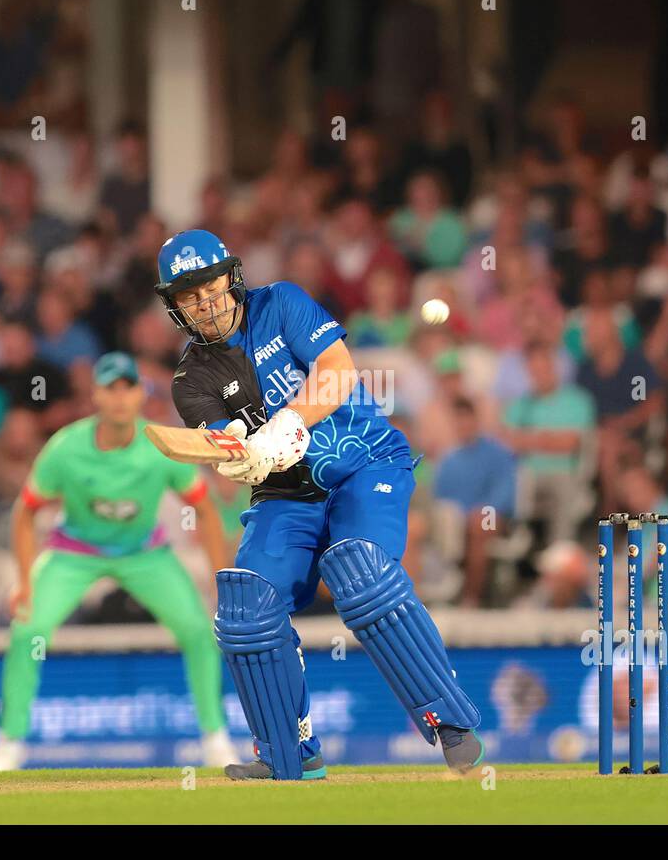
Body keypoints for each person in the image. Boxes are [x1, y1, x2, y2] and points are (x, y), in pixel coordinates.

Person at [154, 229, 483, 781]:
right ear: (175, 306)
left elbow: (337, 371)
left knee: (362, 572)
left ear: (231, 278)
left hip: (365, 463)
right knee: (244, 607)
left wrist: (287, 423)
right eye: (188, 295)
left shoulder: (281, 302)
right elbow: (224, 448)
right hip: (287, 494)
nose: (204, 302)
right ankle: (289, 754)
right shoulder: (191, 379)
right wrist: (242, 460)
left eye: (209, 285)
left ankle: (449, 721)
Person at [0, 351, 237, 771]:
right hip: (73, 553)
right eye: (109, 389)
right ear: (95, 396)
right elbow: (25, 512)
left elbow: (205, 508)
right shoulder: (66, 447)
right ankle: (8, 743)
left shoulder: (161, 444)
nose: (119, 398)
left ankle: (215, 738)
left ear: (140, 395)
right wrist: (24, 581)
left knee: (198, 630)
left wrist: (219, 577)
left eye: (128, 388)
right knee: (28, 629)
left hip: (144, 553)